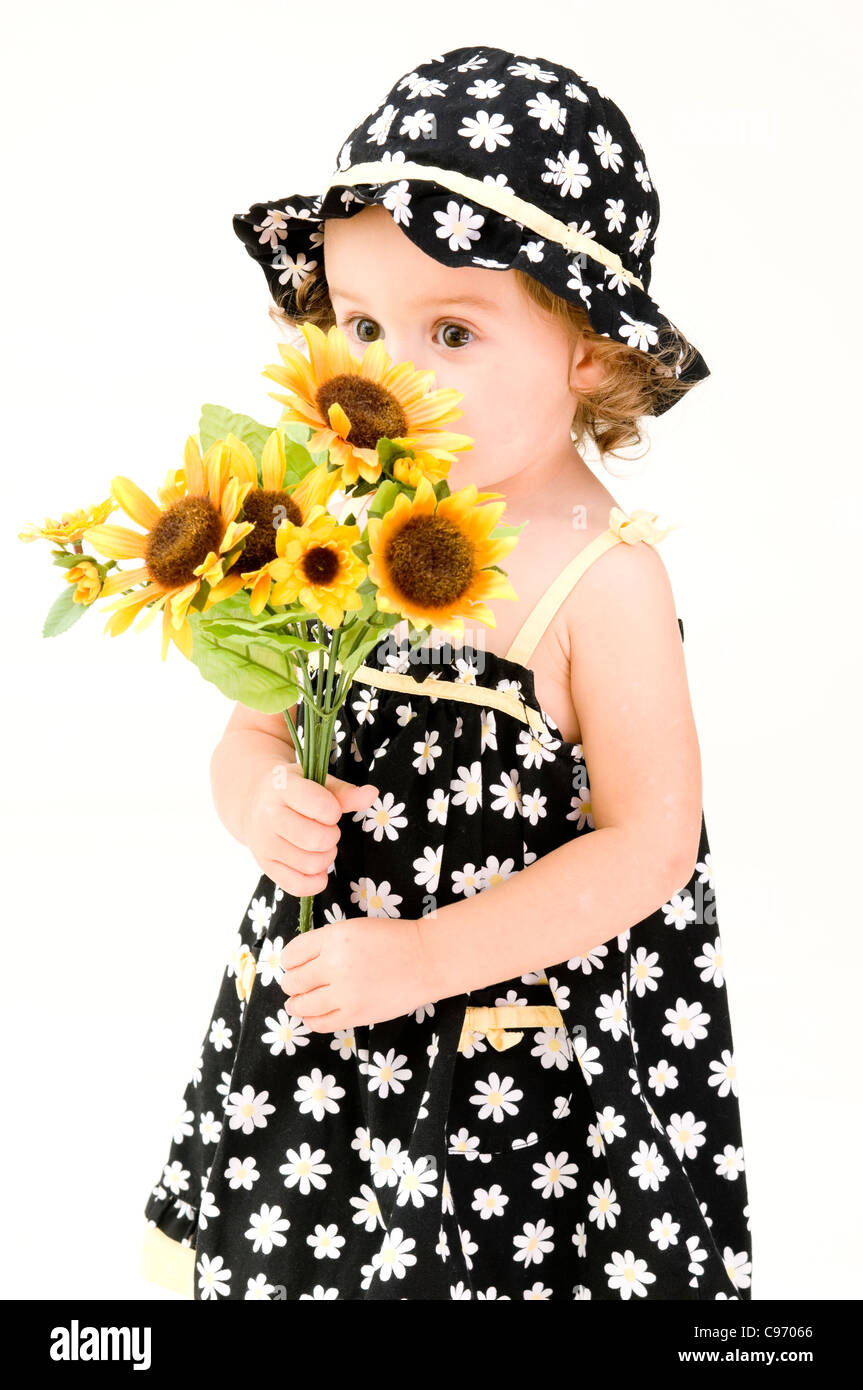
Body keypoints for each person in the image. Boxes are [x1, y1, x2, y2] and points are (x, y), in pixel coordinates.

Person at [140, 44, 752, 1301]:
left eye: (453, 330)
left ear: (587, 349)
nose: (391, 375)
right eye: (361, 324)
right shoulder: (338, 519)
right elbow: (250, 733)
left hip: (506, 1050)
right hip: (324, 1017)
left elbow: (649, 845)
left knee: (479, 1262)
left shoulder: (603, 578)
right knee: (307, 1246)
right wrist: (259, 802)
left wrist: (424, 960)